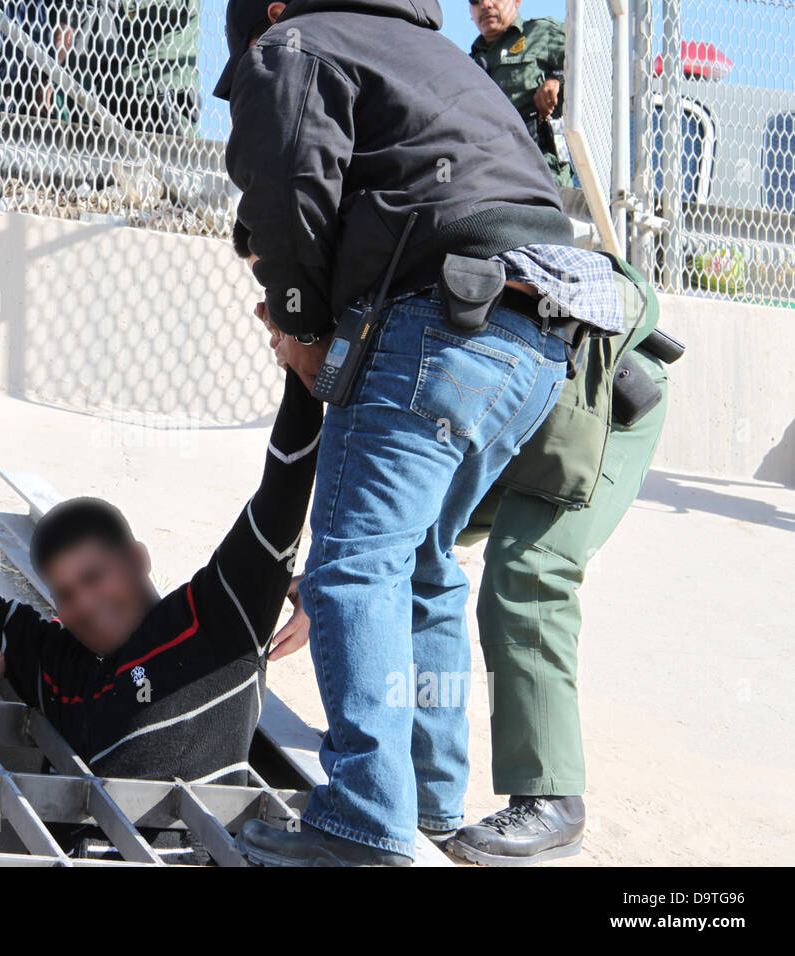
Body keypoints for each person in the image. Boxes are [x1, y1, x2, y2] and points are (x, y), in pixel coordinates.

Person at [214, 0, 625, 866]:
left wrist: (303, 322)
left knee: (353, 566)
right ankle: (431, 801)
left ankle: (362, 821)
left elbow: (291, 191)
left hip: (438, 321)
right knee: (424, 564)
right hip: (537, 335)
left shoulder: (291, 44)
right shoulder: (430, 54)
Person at [0, 275, 321, 784]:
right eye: (65, 593)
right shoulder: (63, 663)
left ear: (138, 559)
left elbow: (285, 484)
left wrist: (301, 358)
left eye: (94, 578)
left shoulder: (214, 619)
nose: (84, 605)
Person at [445, 260, 672, 865]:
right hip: (513, 402)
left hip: (593, 401)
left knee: (530, 568)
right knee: (404, 536)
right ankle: (403, 760)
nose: (270, 333)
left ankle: (552, 802)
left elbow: (630, 299)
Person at [470, 0, 576, 188]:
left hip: (542, 170)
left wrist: (557, 81)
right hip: (488, 178)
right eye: (475, 1)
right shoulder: (465, 64)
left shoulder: (541, 33)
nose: (485, 4)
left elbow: (593, 62)